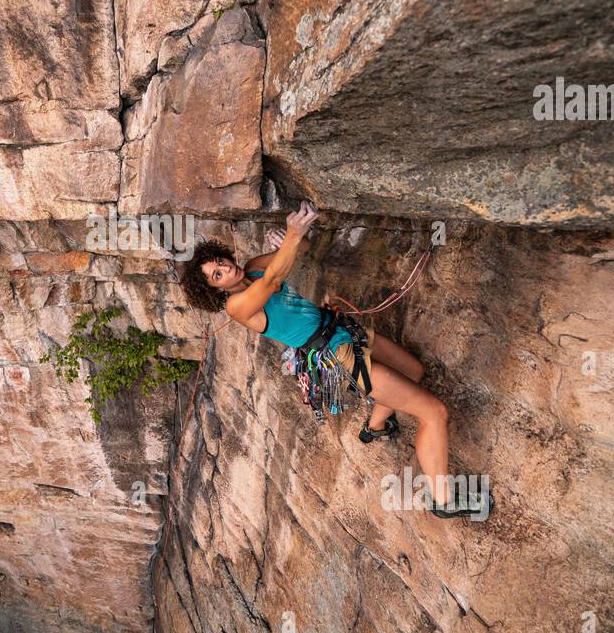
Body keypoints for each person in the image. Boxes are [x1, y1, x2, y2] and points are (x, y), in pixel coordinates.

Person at [179, 201, 490, 520]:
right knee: (434, 413)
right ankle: (442, 500)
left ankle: (376, 426)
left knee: (414, 370)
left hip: (342, 330)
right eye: (217, 274)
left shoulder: (255, 264)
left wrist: (293, 240)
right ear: (217, 291)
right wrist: (291, 237)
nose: (226, 268)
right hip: (335, 356)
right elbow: (272, 282)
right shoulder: (237, 307)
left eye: (220, 261)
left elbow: (302, 249)